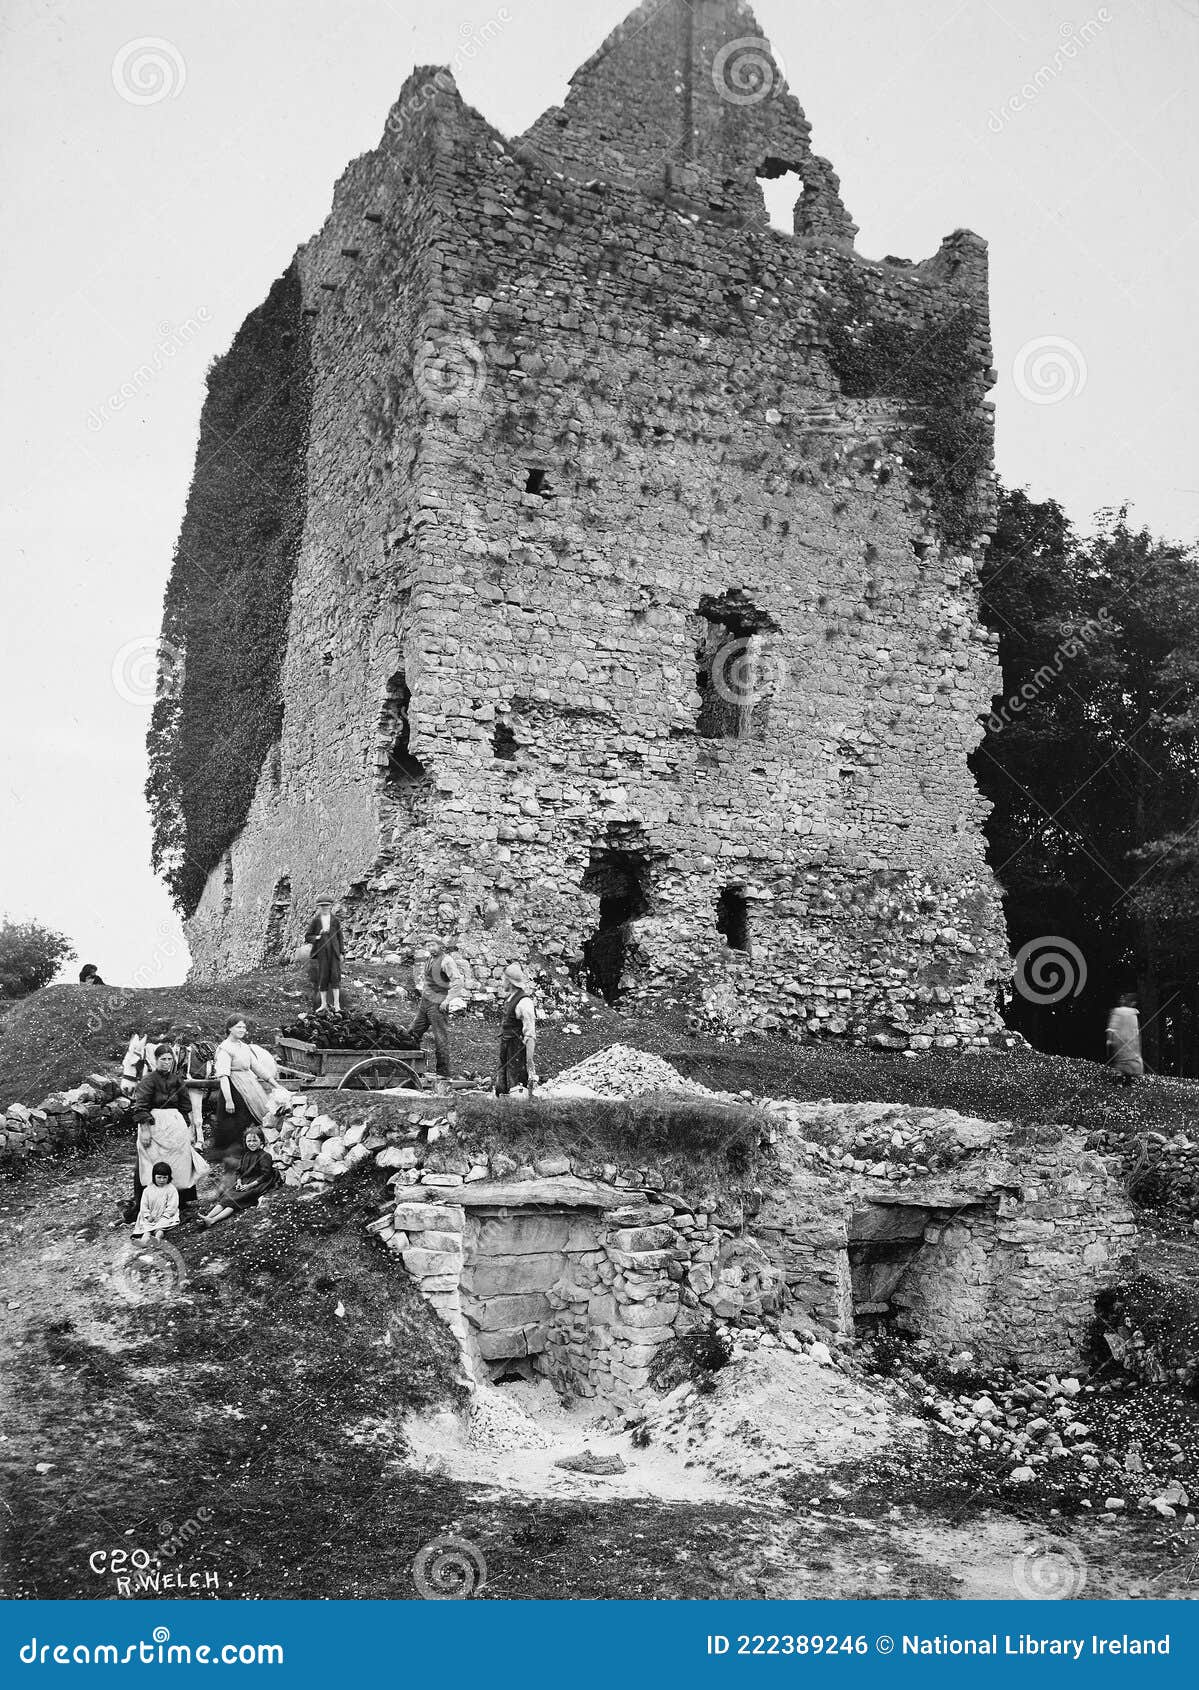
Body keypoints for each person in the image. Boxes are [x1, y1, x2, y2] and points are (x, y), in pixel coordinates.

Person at [123, 1056, 203, 1221]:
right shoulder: (148, 1080)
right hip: (154, 1124)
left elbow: (185, 1104)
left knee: (180, 1162)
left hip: (174, 1124)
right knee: (148, 1162)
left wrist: (184, 1126)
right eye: (162, 1059)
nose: (166, 1062)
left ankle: (180, 1201)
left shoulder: (177, 1080)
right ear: (156, 1060)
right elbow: (141, 1106)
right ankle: (145, 1203)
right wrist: (145, 1130)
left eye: (169, 1059)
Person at [212, 1017, 275, 1155]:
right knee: (235, 1123)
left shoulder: (244, 1047)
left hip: (249, 1087)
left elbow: (257, 1067)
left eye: (244, 1028)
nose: (242, 1030)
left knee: (250, 1118)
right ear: (229, 1028)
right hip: (233, 1089)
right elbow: (223, 1076)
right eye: (238, 1027)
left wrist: (275, 1084)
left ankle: (251, 1151)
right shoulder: (225, 1049)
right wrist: (228, 1100)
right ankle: (233, 1155)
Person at [199, 1127, 278, 1229]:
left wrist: (249, 1186)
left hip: (257, 1183)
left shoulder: (265, 1156)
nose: (252, 1143)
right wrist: (239, 1182)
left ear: (261, 1141)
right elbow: (239, 1171)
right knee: (228, 1197)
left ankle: (213, 1220)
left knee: (236, 1200)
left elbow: (265, 1175)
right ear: (245, 1142)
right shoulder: (246, 1155)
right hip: (244, 1181)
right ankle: (207, 1217)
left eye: (255, 1140)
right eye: (249, 1141)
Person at [409, 935, 463, 1079]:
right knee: (413, 1032)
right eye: (428, 946)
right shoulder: (430, 958)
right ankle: (410, 1065)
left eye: (433, 945)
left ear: (440, 945)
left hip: (438, 1004)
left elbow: (458, 982)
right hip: (425, 1002)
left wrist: (447, 1000)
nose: (430, 948)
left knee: (440, 1038)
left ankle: (443, 1073)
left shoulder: (447, 961)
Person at [495, 961, 538, 1096]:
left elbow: (530, 1034)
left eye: (503, 979)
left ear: (509, 982)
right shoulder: (510, 999)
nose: (501, 982)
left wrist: (529, 1061)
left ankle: (518, 1105)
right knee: (503, 1082)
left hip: (517, 1049)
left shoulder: (524, 1002)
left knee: (516, 1083)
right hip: (506, 1046)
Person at [173, 1024, 215, 1146]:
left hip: (195, 1082)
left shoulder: (193, 1055)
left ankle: (199, 1139)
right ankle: (191, 1137)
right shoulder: (181, 1052)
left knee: (195, 1111)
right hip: (186, 1081)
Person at [303, 897, 344, 1014]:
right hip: (322, 954)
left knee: (335, 976)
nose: (324, 908)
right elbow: (308, 936)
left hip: (334, 952)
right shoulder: (316, 921)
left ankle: (337, 1005)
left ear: (330, 906)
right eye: (322, 906)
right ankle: (323, 1004)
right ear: (318, 907)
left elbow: (340, 937)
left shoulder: (335, 920)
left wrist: (342, 953)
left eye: (327, 906)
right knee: (323, 977)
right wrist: (318, 936)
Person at [133, 1161, 179, 1239]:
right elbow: (144, 1205)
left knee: (159, 1229)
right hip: (150, 1216)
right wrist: (148, 1216)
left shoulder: (171, 1189)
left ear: (169, 1177)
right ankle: (145, 1240)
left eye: (164, 1177)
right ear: (154, 1176)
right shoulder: (148, 1190)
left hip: (165, 1216)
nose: (162, 1180)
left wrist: (165, 1216)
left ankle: (157, 1239)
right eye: (159, 1177)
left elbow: (173, 1205)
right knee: (147, 1230)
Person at [1107, 994, 1144, 1087]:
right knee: (1126, 1059)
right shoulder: (1128, 1012)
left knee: (1123, 1059)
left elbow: (1112, 1026)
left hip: (1124, 1039)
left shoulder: (1122, 1012)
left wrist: (1110, 1039)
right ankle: (1125, 1080)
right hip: (1126, 1039)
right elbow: (1135, 1029)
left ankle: (1124, 1080)